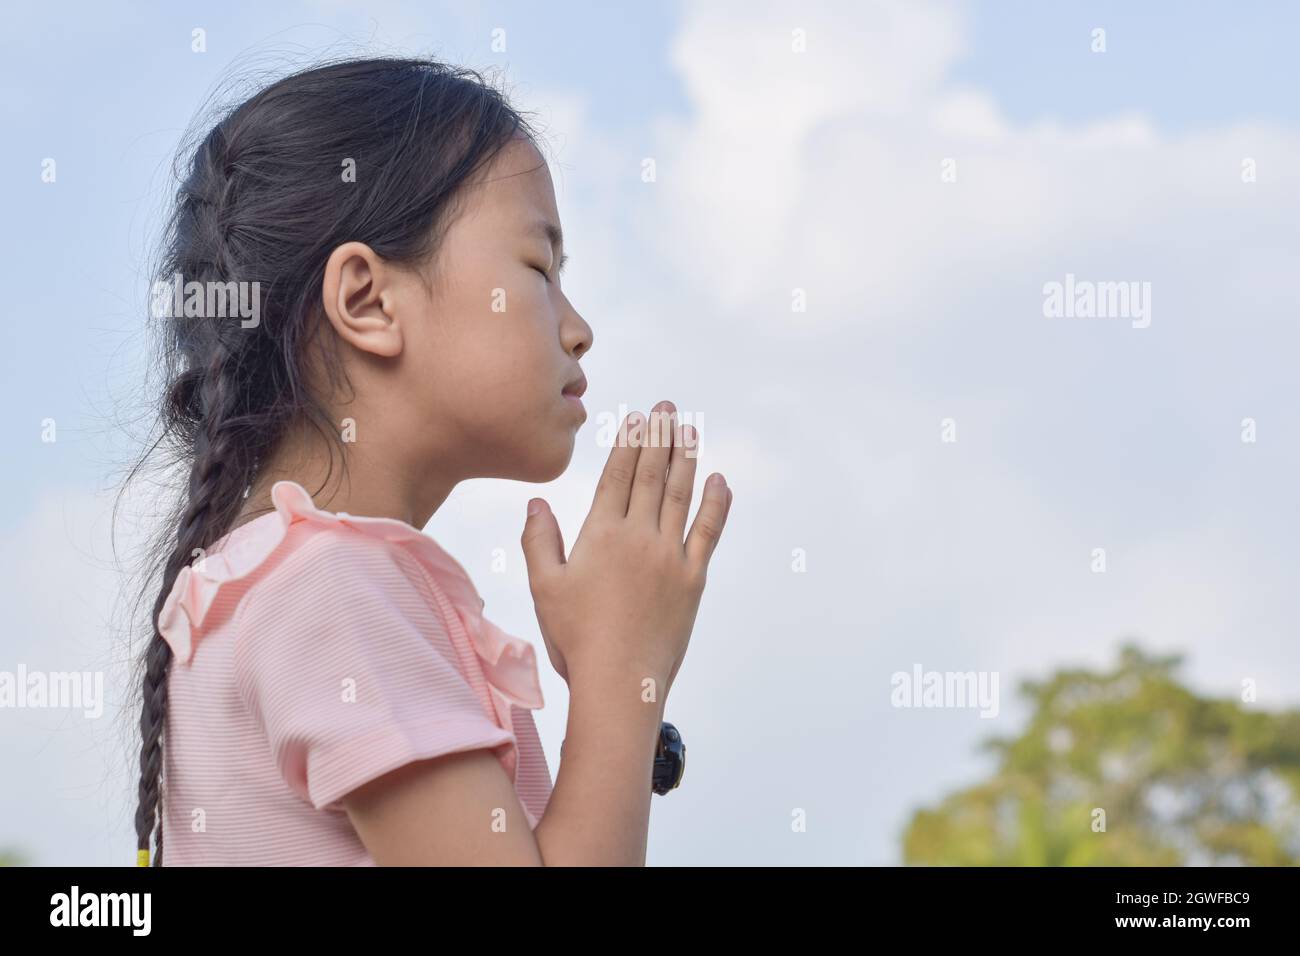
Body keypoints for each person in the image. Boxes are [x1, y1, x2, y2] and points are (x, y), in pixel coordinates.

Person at [126, 56, 732, 866]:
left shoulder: (269, 584)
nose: (578, 327)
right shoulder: (337, 590)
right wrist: (621, 669)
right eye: (539, 268)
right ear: (368, 302)